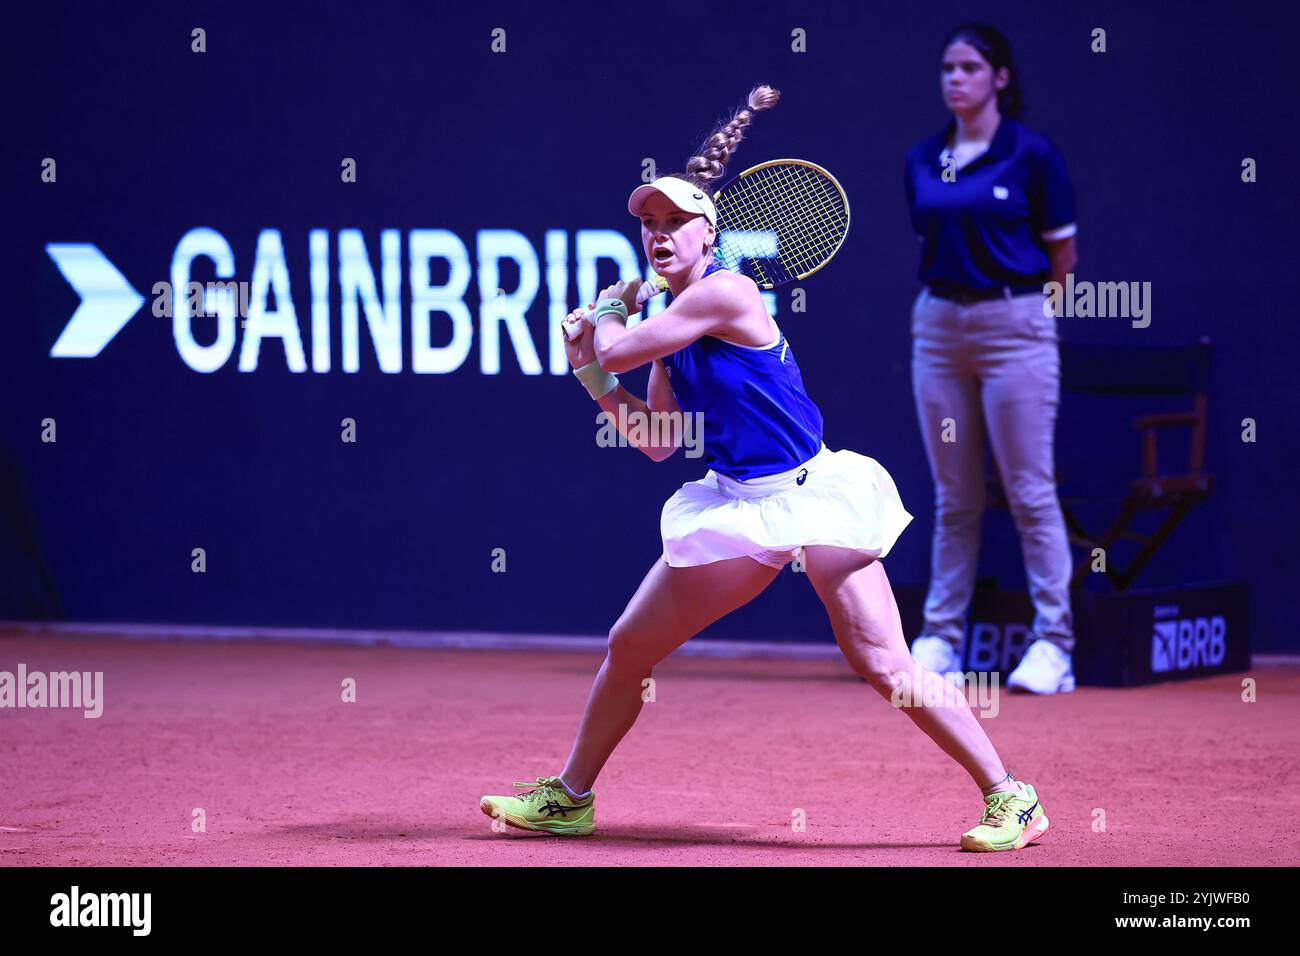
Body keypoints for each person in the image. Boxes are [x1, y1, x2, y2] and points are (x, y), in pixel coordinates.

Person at [481, 86, 1049, 851]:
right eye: (647, 223)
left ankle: (1011, 796)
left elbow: (619, 342)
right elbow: (655, 438)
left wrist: (607, 317)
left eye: (675, 221)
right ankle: (570, 798)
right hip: (737, 504)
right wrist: (592, 377)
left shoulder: (727, 291)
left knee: (882, 661)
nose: (658, 233)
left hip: (814, 497)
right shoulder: (673, 329)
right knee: (629, 646)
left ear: (708, 232)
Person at [904, 24, 1079, 694]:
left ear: (1000, 77)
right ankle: (942, 638)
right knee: (955, 495)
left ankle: (1054, 645)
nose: (956, 78)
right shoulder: (923, 158)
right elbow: (933, 236)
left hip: (1016, 327)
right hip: (939, 328)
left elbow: (1062, 256)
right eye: (948, 67)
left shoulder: (1033, 155)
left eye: (971, 67)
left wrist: (1030, 316)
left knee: (1031, 491)